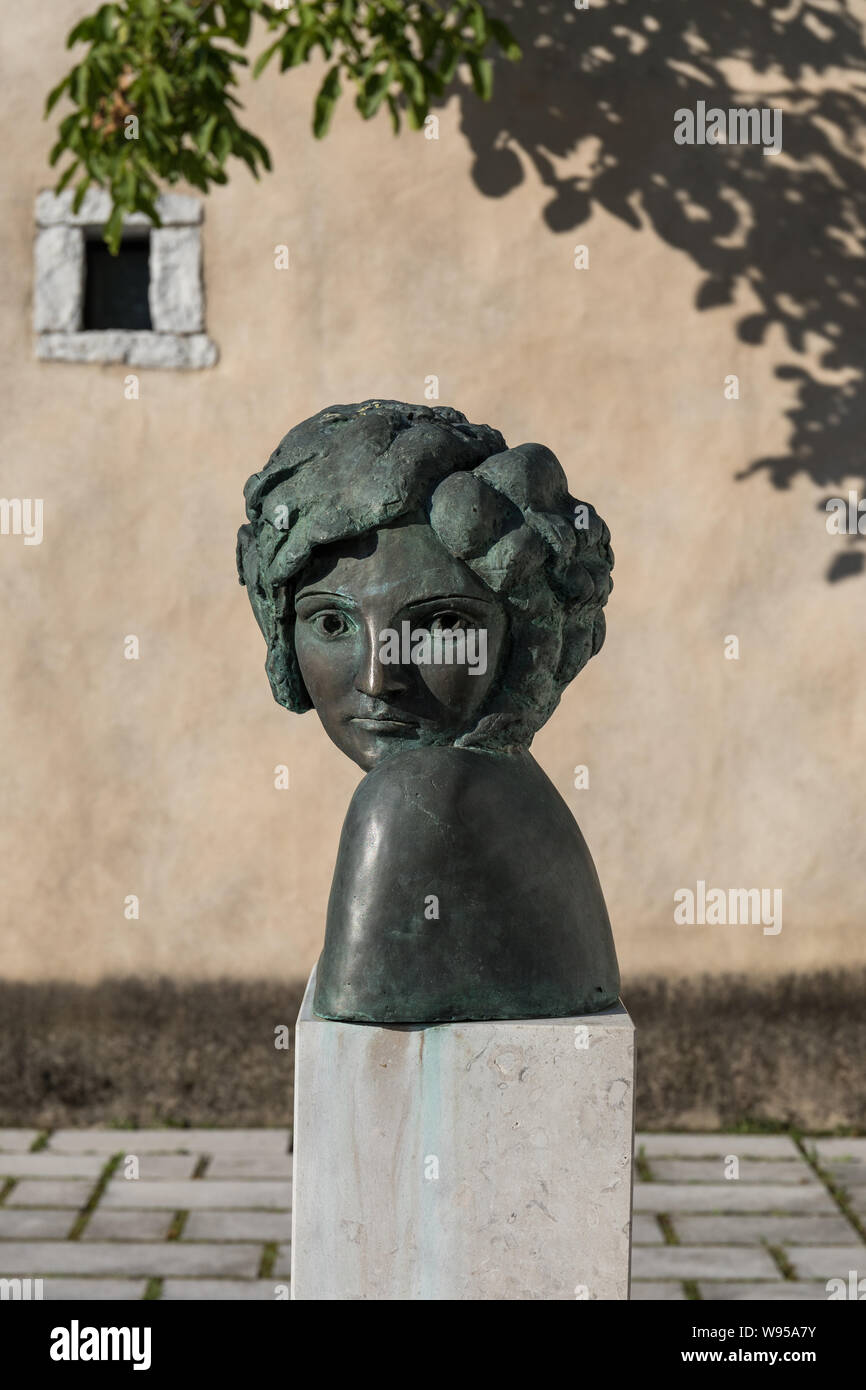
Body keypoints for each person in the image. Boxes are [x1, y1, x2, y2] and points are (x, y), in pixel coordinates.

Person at [238, 399, 620, 1022]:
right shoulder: (511, 796)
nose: (378, 677)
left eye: (441, 624)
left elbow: (361, 1002)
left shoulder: (409, 800)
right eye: (332, 621)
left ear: (526, 639)